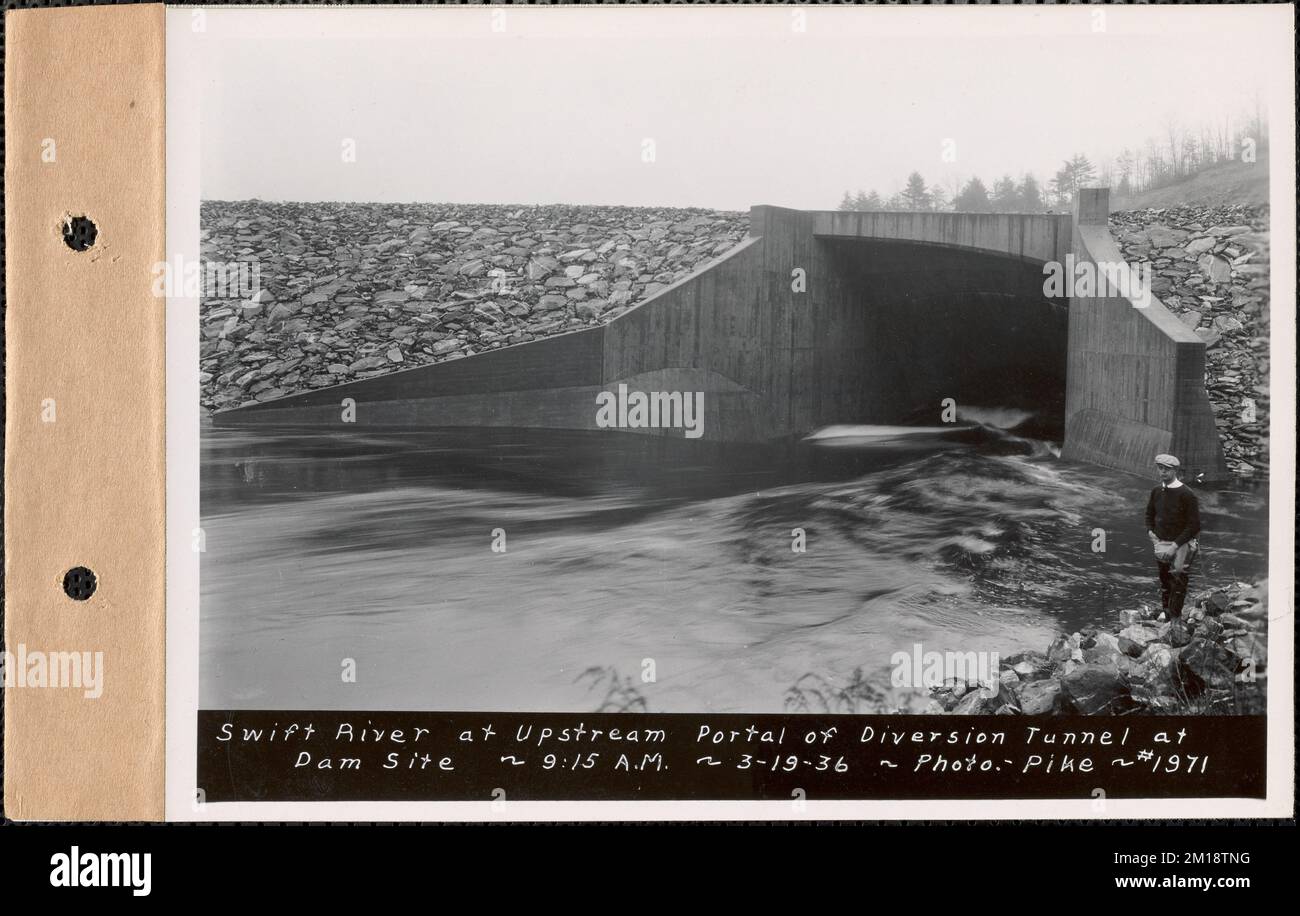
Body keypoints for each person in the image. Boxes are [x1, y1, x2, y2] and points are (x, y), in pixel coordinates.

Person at [1144, 453, 1200, 619]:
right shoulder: (1156, 491)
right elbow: (1149, 514)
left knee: (1178, 583)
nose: (1162, 472)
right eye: (1160, 468)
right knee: (1164, 582)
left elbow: (1194, 525)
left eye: (1167, 469)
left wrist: (1175, 545)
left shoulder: (1187, 494)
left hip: (1181, 544)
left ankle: (1175, 619)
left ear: (1175, 470)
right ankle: (1167, 615)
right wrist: (1151, 533)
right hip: (1160, 542)